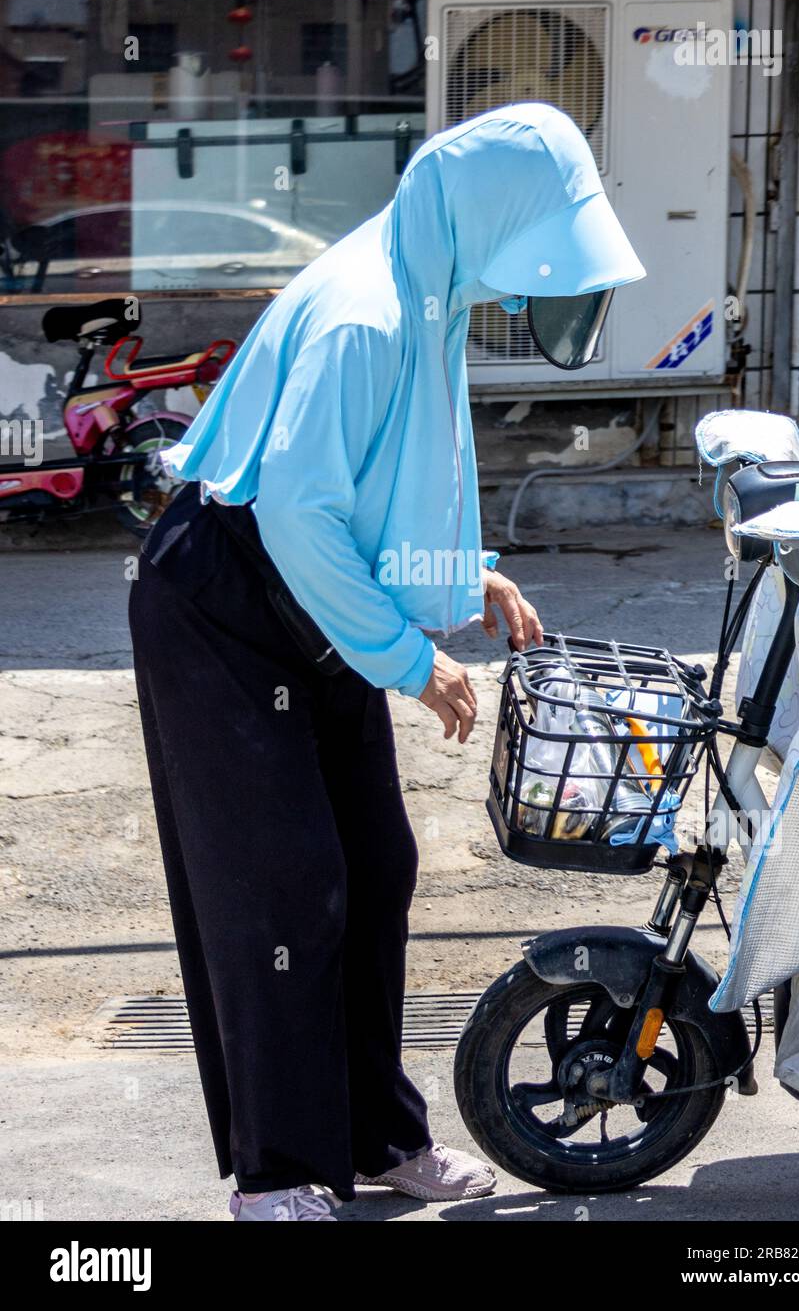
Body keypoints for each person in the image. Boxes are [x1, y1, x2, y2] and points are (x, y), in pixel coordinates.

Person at [128, 102, 645, 1221]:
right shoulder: (366, 309)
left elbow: (401, 467)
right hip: (225, 598)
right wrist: (407, 658)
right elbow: (304, 513)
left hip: (303, 592)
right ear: (491, 214)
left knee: (375, 864)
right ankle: (274, 1170)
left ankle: (375, 1138)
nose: (527, 286)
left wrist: (469, 577)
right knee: (282, 890)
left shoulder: (425, 285)